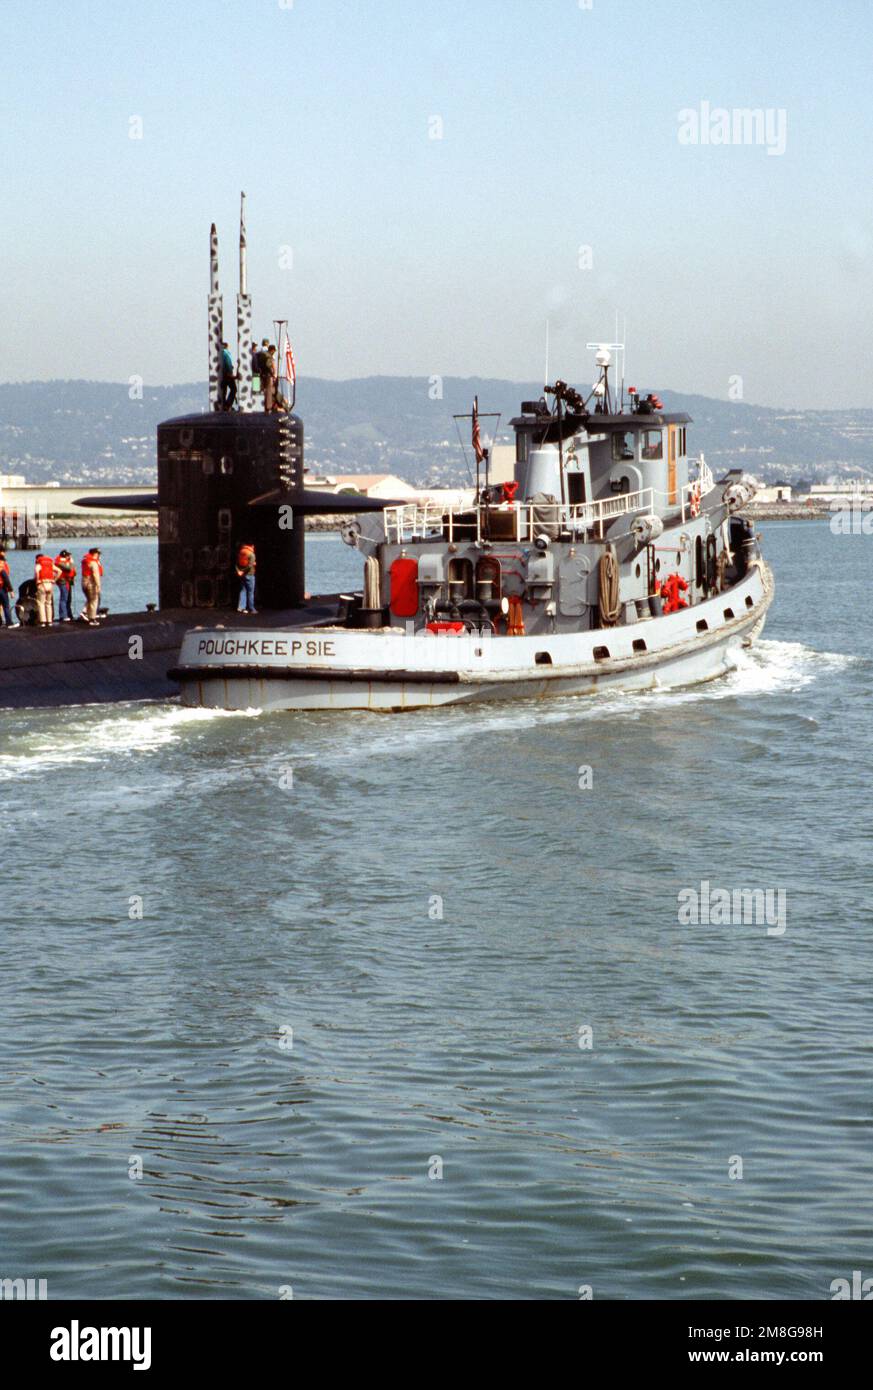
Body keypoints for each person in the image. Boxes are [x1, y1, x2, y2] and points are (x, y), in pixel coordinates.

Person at [34, 552, 61, 626]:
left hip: (42, 584)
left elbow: (36, 572)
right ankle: (49, 621)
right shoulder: (50, 564)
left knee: (41, 603)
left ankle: (42, 621)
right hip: (50, 584)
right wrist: (54, 580)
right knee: (48, 603)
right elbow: (59, 571)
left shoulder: (38, 564)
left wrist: (37, 580)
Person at [81, 548, 104, 624]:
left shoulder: (85, 561)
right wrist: (98, 585)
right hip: (91, 583)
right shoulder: (93, 563)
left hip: (84, 582)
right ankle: (92, 619)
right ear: (95, 554)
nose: (99, 555)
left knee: (89, 599)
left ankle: (85, 613)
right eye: (98, 554)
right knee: (94, 600)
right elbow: (95, 575)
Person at [54, 549, 76, 622]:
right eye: (68, 555)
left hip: (67, 581)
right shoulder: (60, 562)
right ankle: (63, 616)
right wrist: (72, 563)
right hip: (63, 581)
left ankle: (68, 614)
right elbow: (69, 569)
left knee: (68, 599)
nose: (69, 557)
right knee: (64, 598)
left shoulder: (66, 562)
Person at [235, 543, 257, 614]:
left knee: (243, 590)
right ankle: (252, 609)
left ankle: (241, 608)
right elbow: (250, 565)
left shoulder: (241, 552)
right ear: (251, 545)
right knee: (250, 592)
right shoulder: (251, 554)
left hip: (242, 575)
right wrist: (243, 571)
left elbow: (237, 563)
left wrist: (239, 571)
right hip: (249, 575)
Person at [0, 549, 19, 628]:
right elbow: (6, 579)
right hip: (1, 588)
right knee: (6, 606)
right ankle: (9, 623)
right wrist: (11, 590)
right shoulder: (1, 568)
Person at [220, 342, 237, 411]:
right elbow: (228, 364)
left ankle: (223, 405)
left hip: (222, 375)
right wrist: (231, 374)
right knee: (234, 389)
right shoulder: (226, 354)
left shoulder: (219, 354)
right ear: (227, 347)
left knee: (224, 391)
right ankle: (228, 404)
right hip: (228, 375)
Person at [262, 345, 278, 412]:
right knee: (269, 391)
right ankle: (268, 407)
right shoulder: (268, 357)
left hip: (263, 376)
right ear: (272, 350)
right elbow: (268, 366)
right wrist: (272, 373)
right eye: (274, 351)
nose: (274, 352)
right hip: (268, 376)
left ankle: (271, 405)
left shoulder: (264, 355)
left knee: (268, 391)